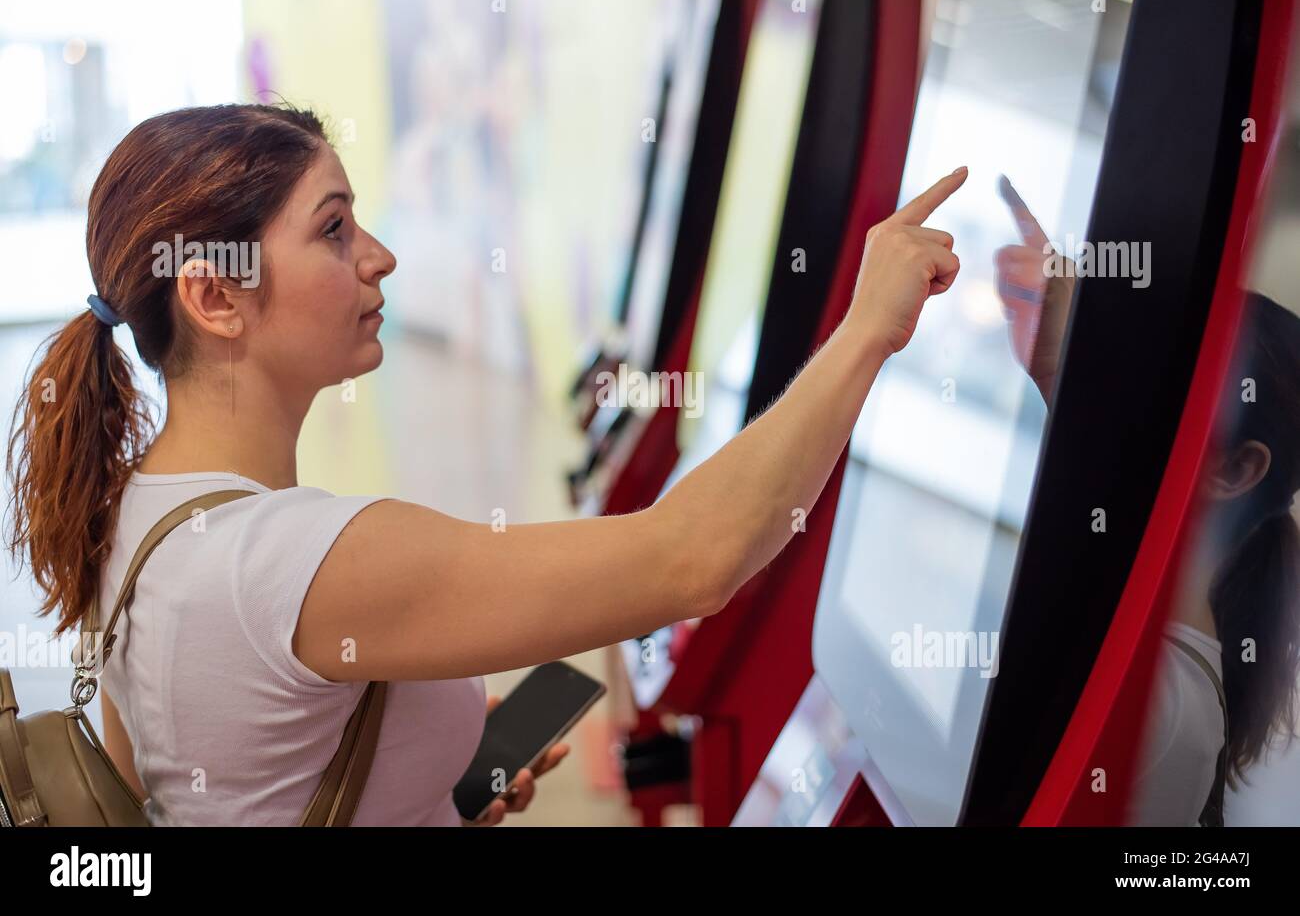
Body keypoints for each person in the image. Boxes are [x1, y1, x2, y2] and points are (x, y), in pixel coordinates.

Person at [4, 103, 967, 825]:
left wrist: (426, 782)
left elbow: (192, 788)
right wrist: (868, 329)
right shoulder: (294, 558)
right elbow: (695, 557)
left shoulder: (131, 509)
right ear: (217, 299)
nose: (377, 256)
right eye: (332, 229)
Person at [993, 183, 1300, 826]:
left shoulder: (1167, 707)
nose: (1131, 390)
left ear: (1235, 468)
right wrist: (1061, 373)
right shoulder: (1143, 627)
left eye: (1167, 379)